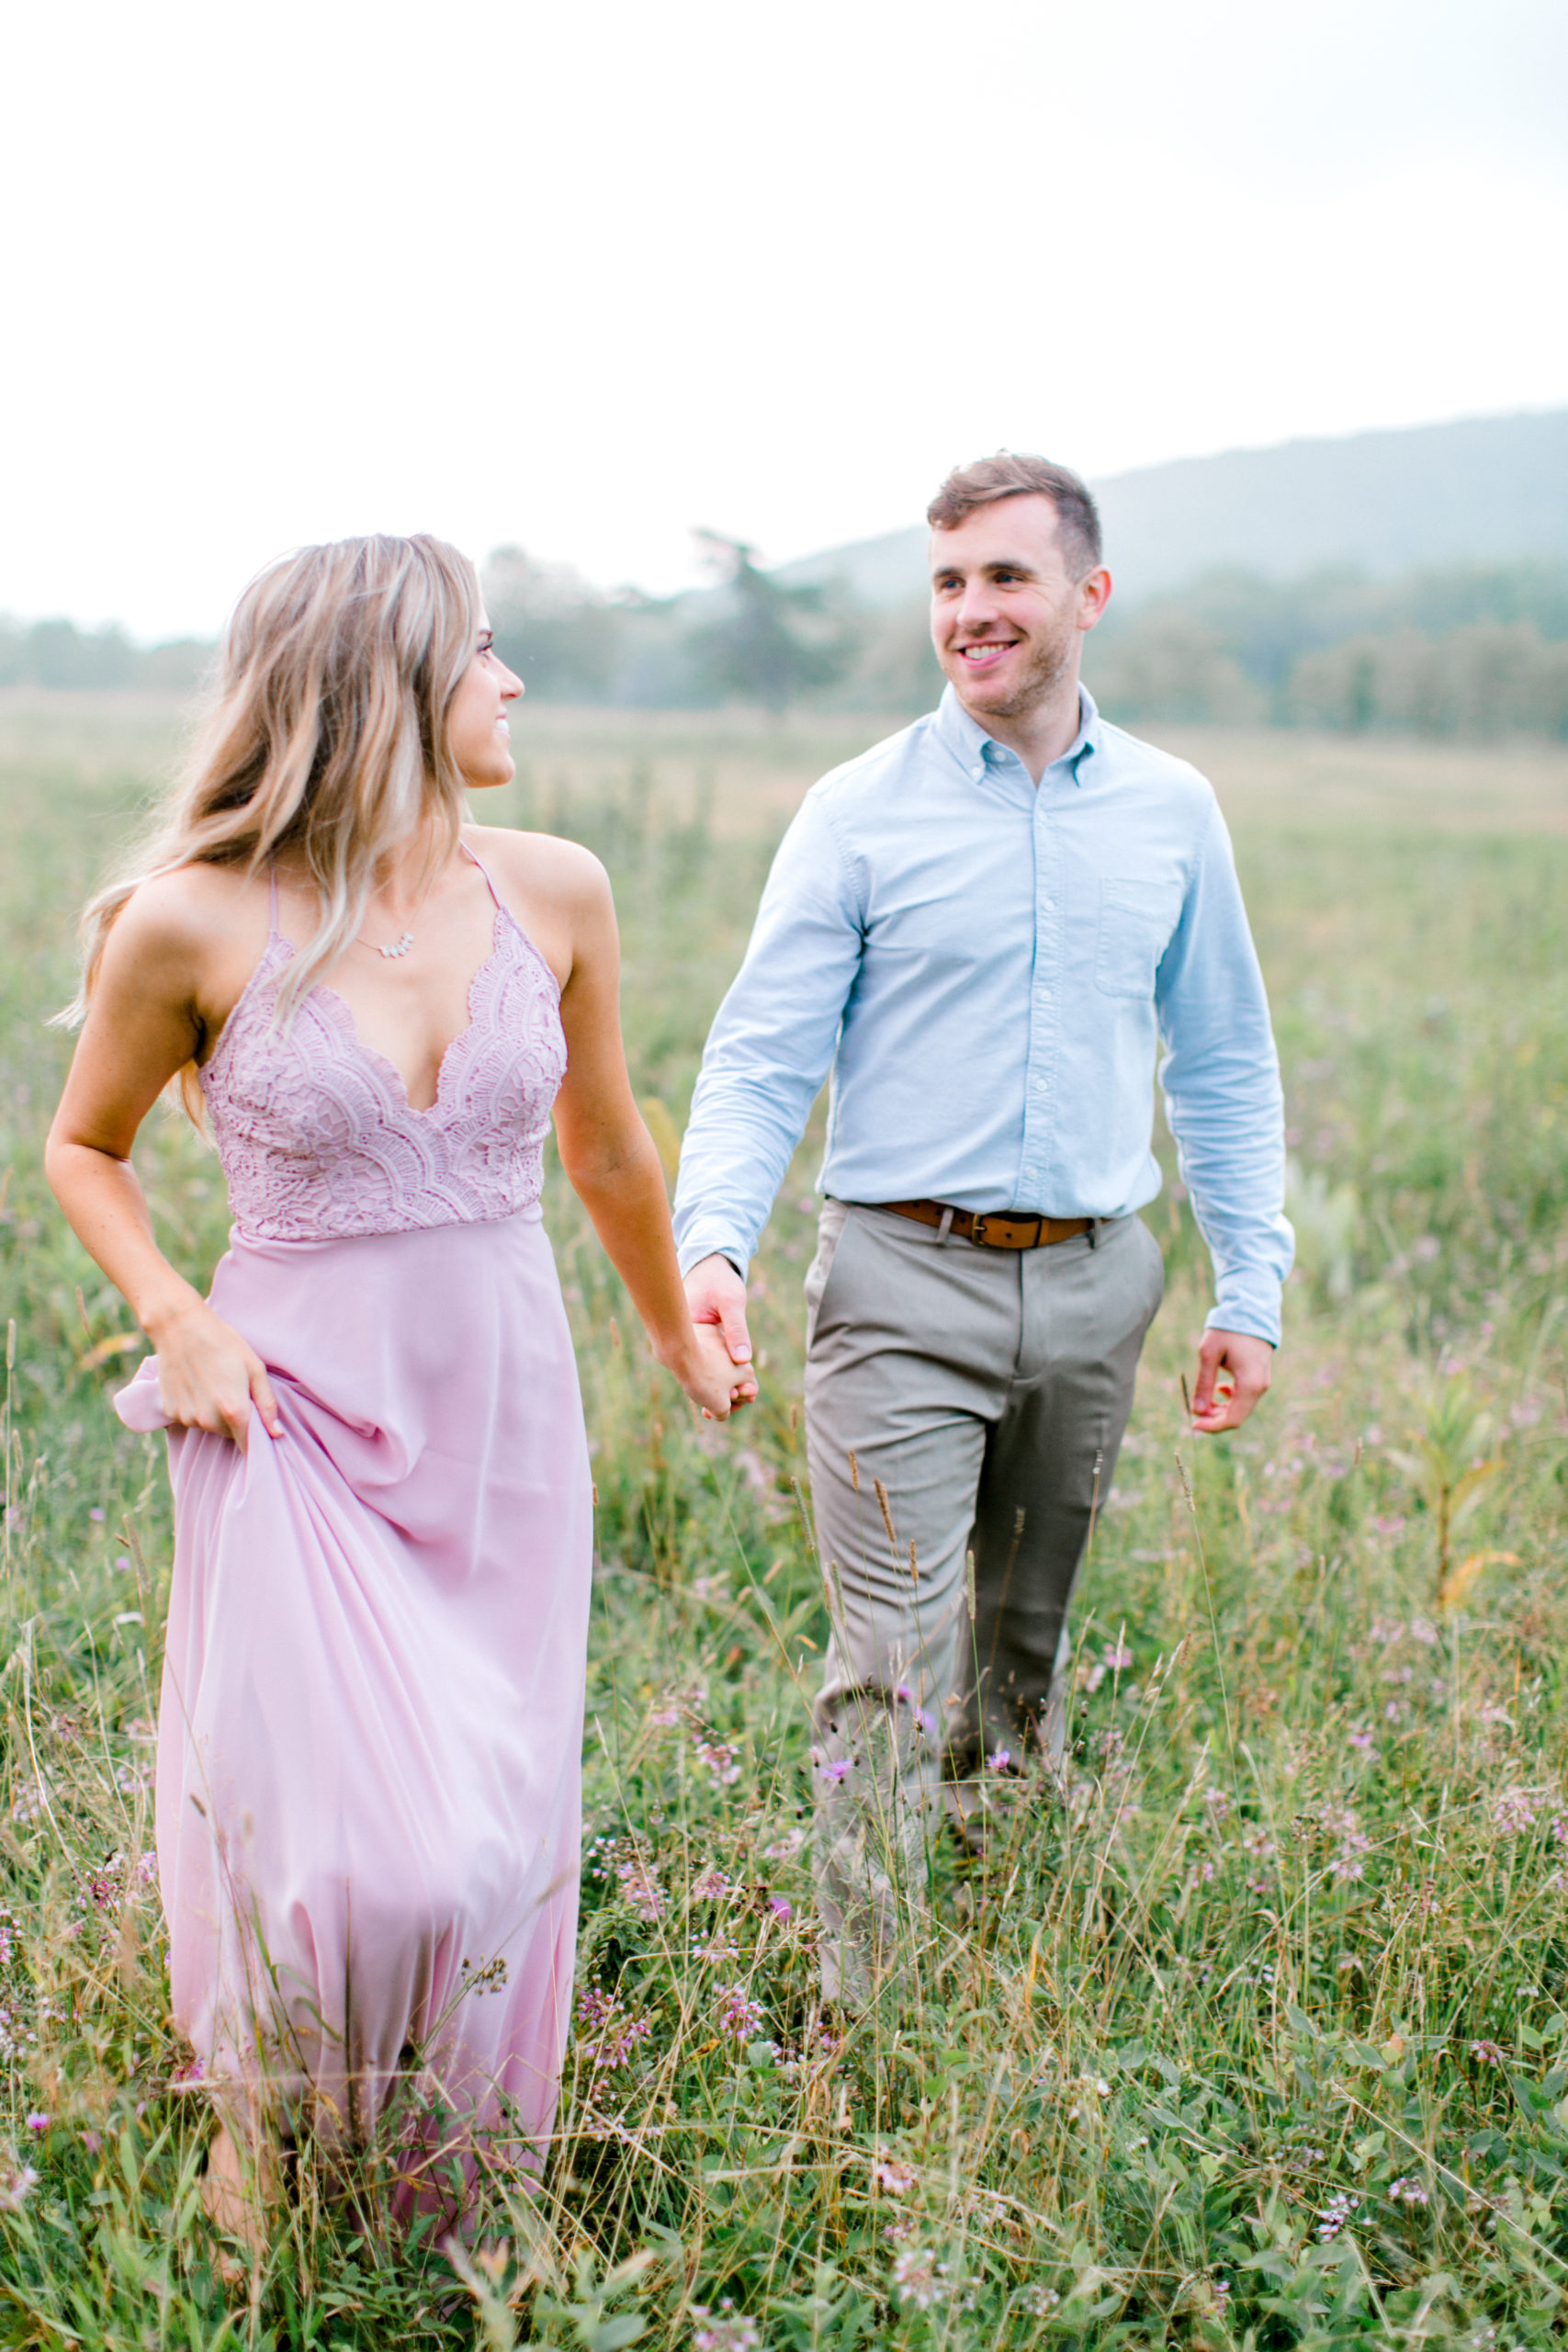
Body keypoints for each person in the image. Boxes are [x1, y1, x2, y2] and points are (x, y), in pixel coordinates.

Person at [45, 534, 753, 2239]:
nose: (512, 684)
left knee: (495, 1840)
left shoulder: (557, 887)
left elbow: (608, 1147)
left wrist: (673, 1331)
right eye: (486, 650)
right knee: (361, 1861)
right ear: (388, 680)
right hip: (285, 1409)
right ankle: (256, 2165)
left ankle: (440, 2217)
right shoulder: (188, 921)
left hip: (506, 1411)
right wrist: (171, 1315)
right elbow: (83, 1147)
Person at [673, 453, 1292, 2002]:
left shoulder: (1172, 811)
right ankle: (863, 2021)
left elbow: (1220, 1056)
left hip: (1098, 1289)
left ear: (1087, 595)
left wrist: (1252, 1283)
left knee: (1022, 1659)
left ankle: (1011, 1985)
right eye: (948, 583)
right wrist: (715, 1246)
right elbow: (761, 1055)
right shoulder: (857, 812)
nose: (971, 613)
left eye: (1006, 578)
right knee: (891, 1663)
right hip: (899, 1281)